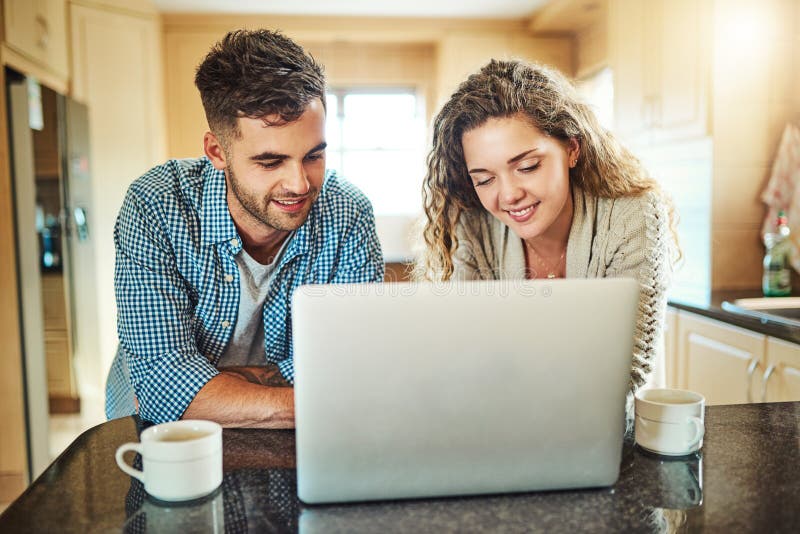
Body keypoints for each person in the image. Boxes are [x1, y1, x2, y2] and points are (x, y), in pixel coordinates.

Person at [105, 29, 384, 427]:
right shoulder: (157, 206)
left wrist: (211, 385)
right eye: (271, 162)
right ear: (217, 151)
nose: (300, 184)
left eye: (313, 156)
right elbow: (162, 391)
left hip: (289, 432)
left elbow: (351, 367)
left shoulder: (348, 212)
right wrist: (309, 400)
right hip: (160, 433)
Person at [415, 59, 676, 391]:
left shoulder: (632, 214)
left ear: (572, 149)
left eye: (527, 167)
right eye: (484, 179)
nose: (509, 195)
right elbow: (463, 353)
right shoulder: (472, 225)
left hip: (611, 419)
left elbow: (625, 368)